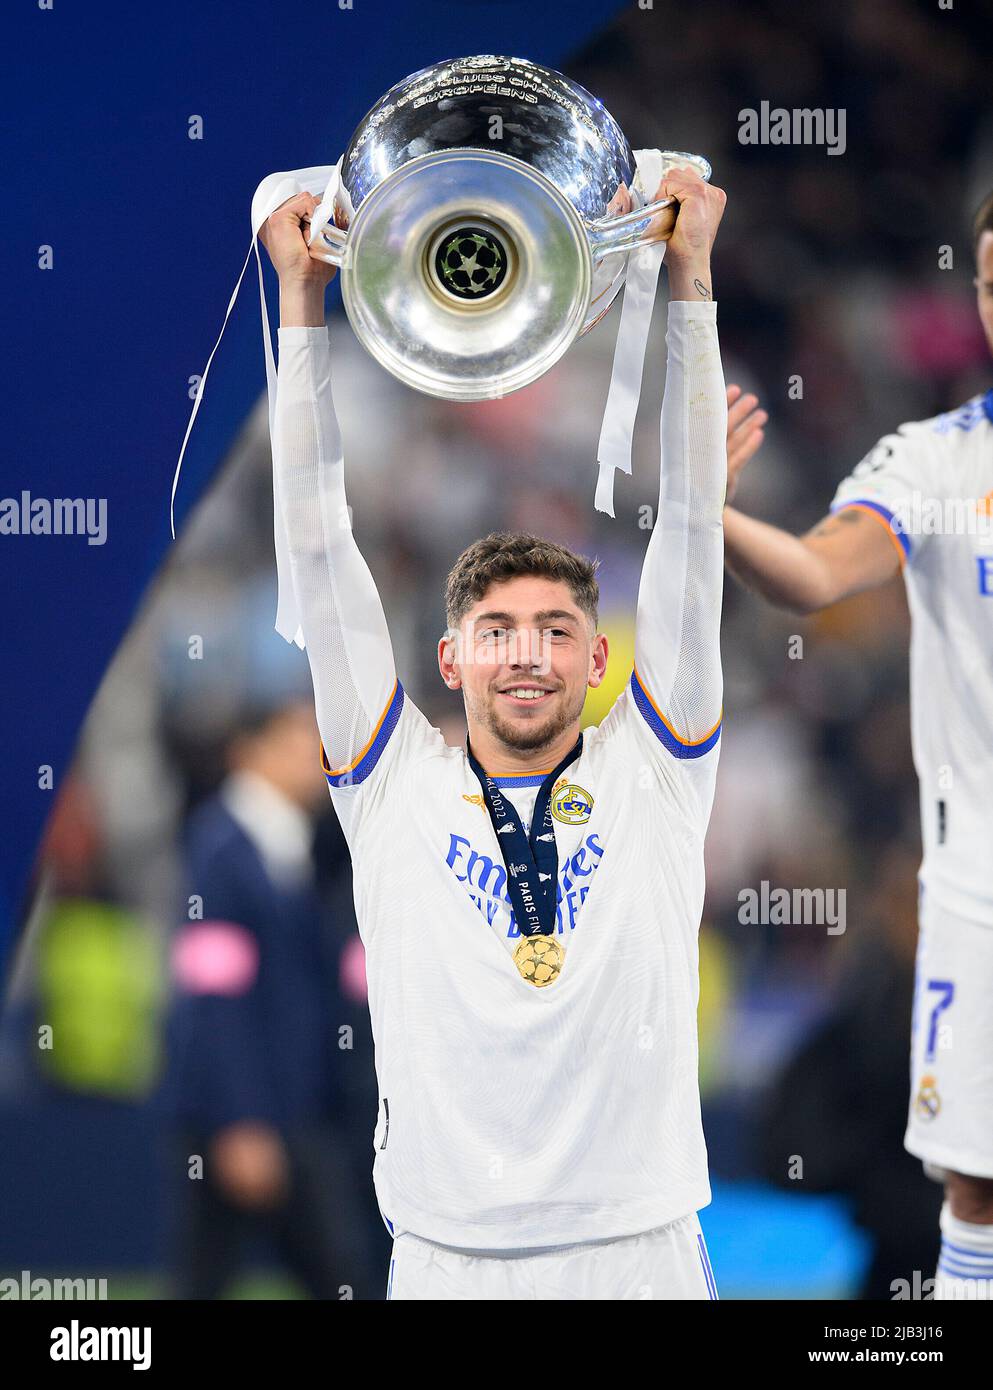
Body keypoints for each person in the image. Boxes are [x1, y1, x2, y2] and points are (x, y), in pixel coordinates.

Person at [259, 163, 728, 1300]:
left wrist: (692, 286)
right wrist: (302, 310)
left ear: (599, 658)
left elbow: (696, 533)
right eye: (499, 629)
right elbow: (321, 552)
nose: (527, 652)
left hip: (639, 1250)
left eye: (557, 630)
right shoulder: (389, 781)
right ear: (449, 658)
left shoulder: (657, 774)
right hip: (446, 1257)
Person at [721, 191, 993, 1300]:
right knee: (975, 1185)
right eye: (990, 274)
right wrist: (710, 511)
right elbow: (817, 572)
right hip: (981, 892)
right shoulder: (931, 463)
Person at [165, 698, 378, 1299]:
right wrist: (240, 1120)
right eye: (297, 739)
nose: (315, 755)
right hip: (245, 1122)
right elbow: (212, 997)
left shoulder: (294, 847)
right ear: (250, 751)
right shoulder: (221, 849)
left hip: (291, 1112)